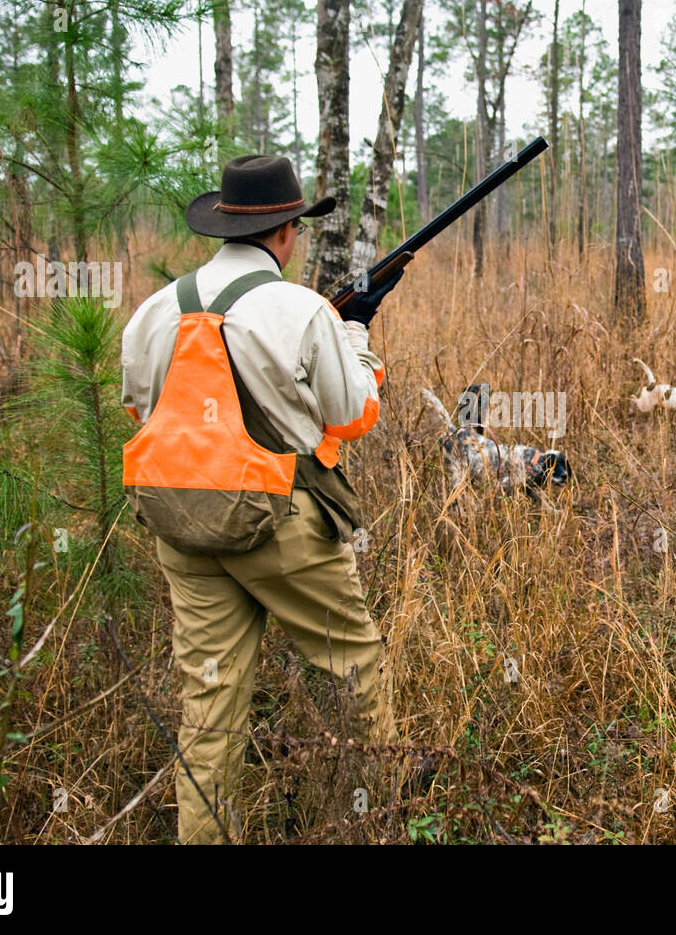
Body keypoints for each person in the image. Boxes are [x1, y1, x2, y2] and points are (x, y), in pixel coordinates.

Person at [120, 154, 402, 843]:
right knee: (356, 668)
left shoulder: (153, 311)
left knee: (209, 708)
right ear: (285, 233)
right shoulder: (301, 310)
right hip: (280, 523)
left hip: (183, 529)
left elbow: (142, 410)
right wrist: (356, 334)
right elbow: (350, 413)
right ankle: (383, 812)